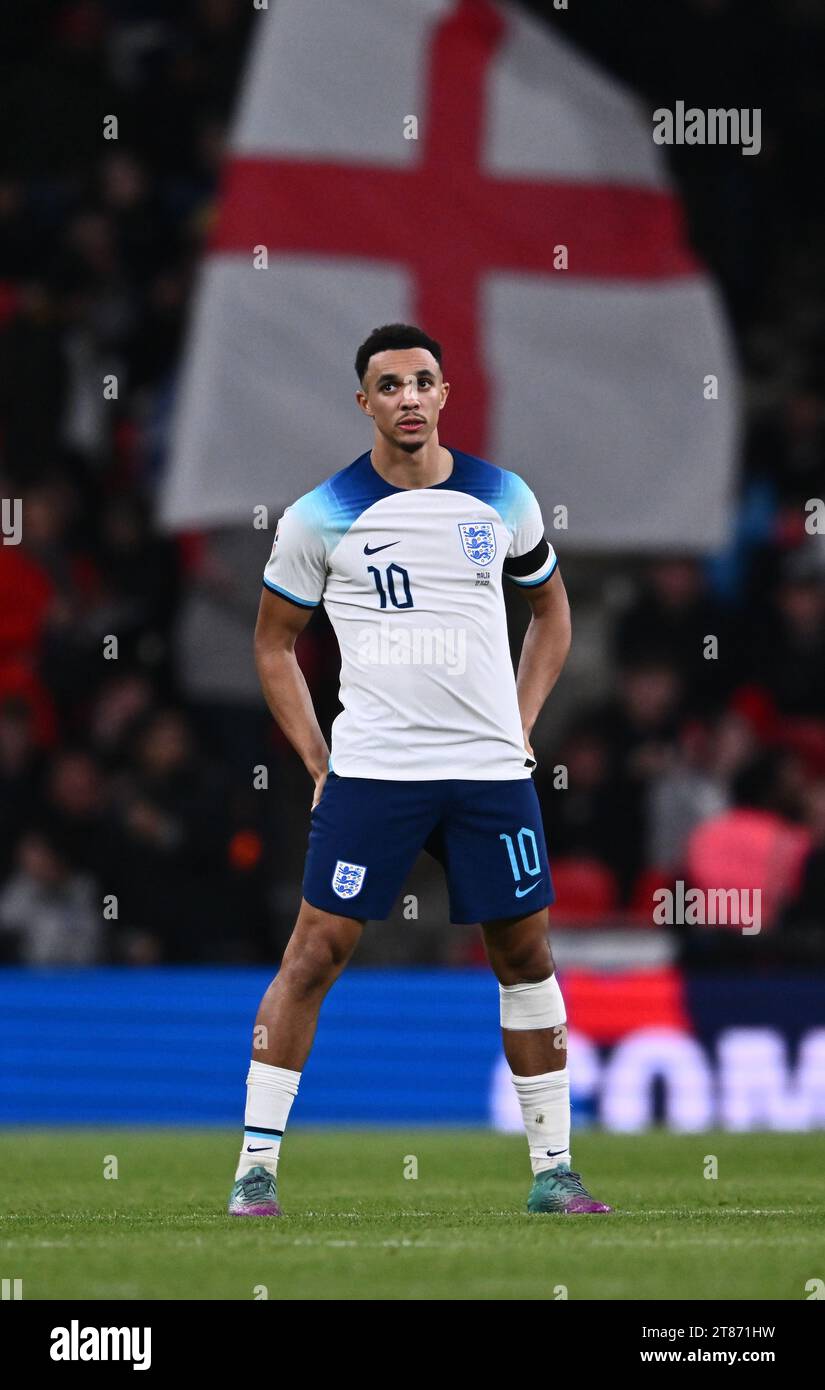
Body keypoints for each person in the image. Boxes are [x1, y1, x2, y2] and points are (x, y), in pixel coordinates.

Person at [227, 323, 611, 1218]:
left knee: (525, 955)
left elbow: (551, 617)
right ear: (363, 403)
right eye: (389, 385)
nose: (407, 397)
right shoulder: (318, 516)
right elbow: (272, 645)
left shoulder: (502, 499)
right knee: (315, 952)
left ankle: (553, 1173)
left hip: (486, 773)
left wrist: (517, 724)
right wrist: (319, 760)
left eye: (422, 382)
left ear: (444, 396)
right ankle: (255, 1171)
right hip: (375, 772)